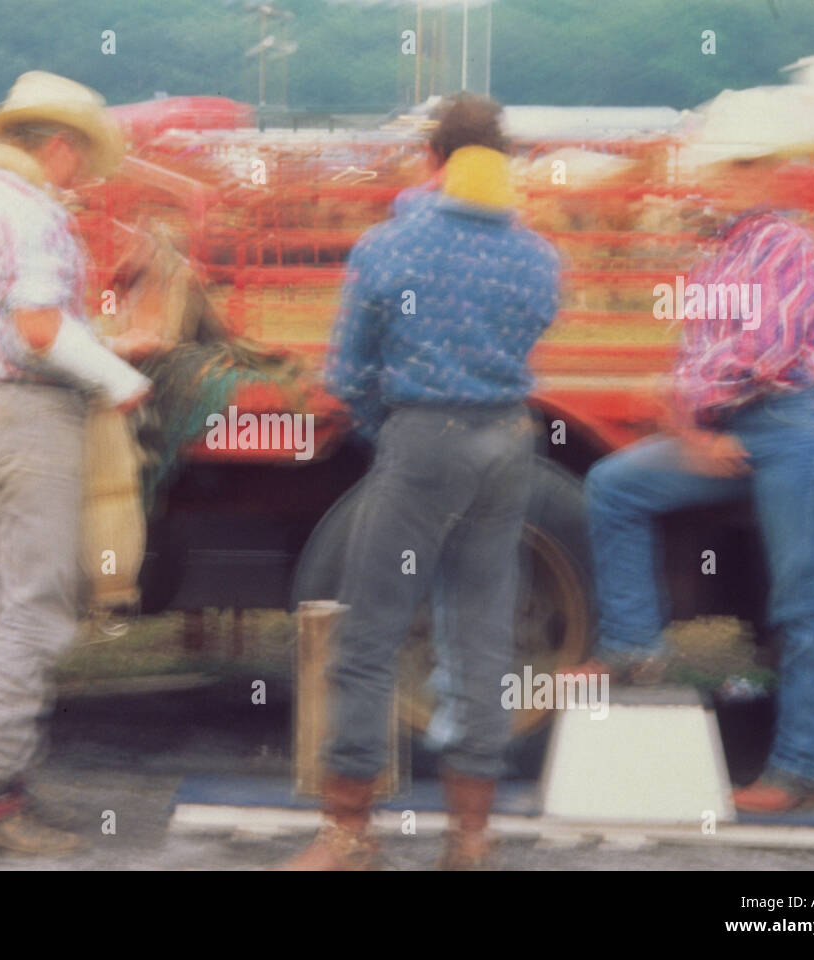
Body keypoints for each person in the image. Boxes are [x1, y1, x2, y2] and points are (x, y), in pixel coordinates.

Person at [284, 94, 561, 870]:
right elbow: (532, 328)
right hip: (508, 439)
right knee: (481, 635)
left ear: (435, 161)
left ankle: (348, 830)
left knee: (370, 634)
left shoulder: (389, 246)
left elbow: (345, 372)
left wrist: (393, 429)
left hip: (423, 441)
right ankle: (470, 835)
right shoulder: (541, 256)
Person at [575, 156, 814, 813]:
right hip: (734, 428)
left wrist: (692, 412)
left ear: (770, 175)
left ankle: (804, 768)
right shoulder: (723, 255)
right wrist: (697, 423)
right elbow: (703, 349)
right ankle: (634, 648)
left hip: (788, 428)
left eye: (742, 168)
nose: (725, 181)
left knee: (801, 594)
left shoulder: (794, 247)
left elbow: (769, 346)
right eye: (728, 169)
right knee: (614, 487)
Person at [0, 71, 159, 854]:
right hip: (30, 418)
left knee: (15, 602)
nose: (85, 175)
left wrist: (97, 348)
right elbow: (37, 329)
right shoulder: (27, 213)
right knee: (34, 607)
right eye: (82, 158)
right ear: (59, 146)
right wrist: (118, 377)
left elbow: (19, 323)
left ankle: (1, 778)